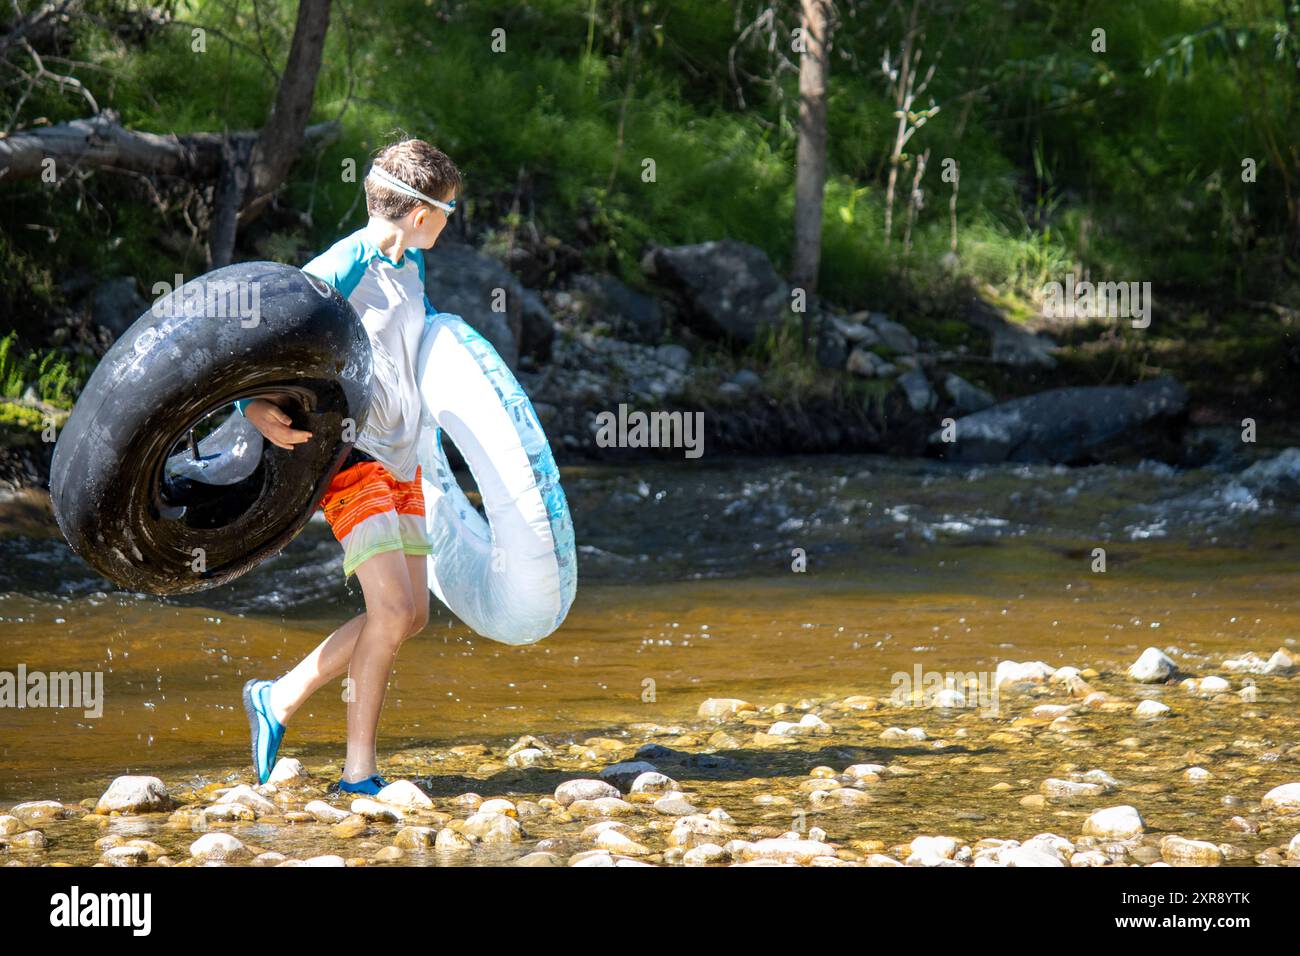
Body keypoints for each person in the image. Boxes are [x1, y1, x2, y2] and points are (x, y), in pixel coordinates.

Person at [238, 138, 462, 796]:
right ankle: (358, 771)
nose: (452, 219)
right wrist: (254, 403)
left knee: (411, 615)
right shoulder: (349, 260)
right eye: (452, 207)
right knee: (391, 613)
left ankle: (275, 699)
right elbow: (276, 322)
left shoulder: (412, 269)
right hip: (354, 457)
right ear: (422, 214)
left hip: (403, 457)